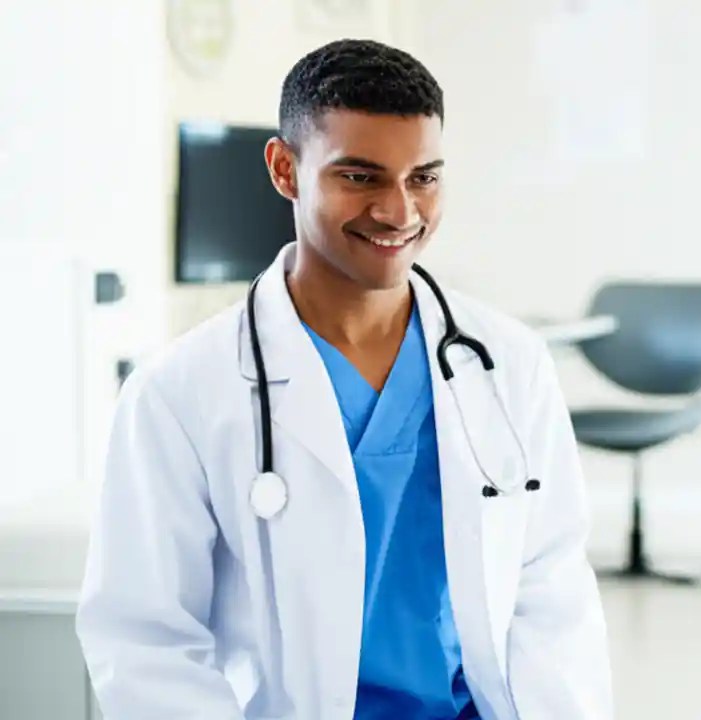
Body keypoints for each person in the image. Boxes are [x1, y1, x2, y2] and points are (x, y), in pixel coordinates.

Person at [77, 39, 612, 720]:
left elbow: (552, 592)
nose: (399, 211)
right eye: (360, 177)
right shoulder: (178, 394)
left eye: (423, 177)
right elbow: (146, 638)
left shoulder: (510, 366)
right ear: (285, 169)